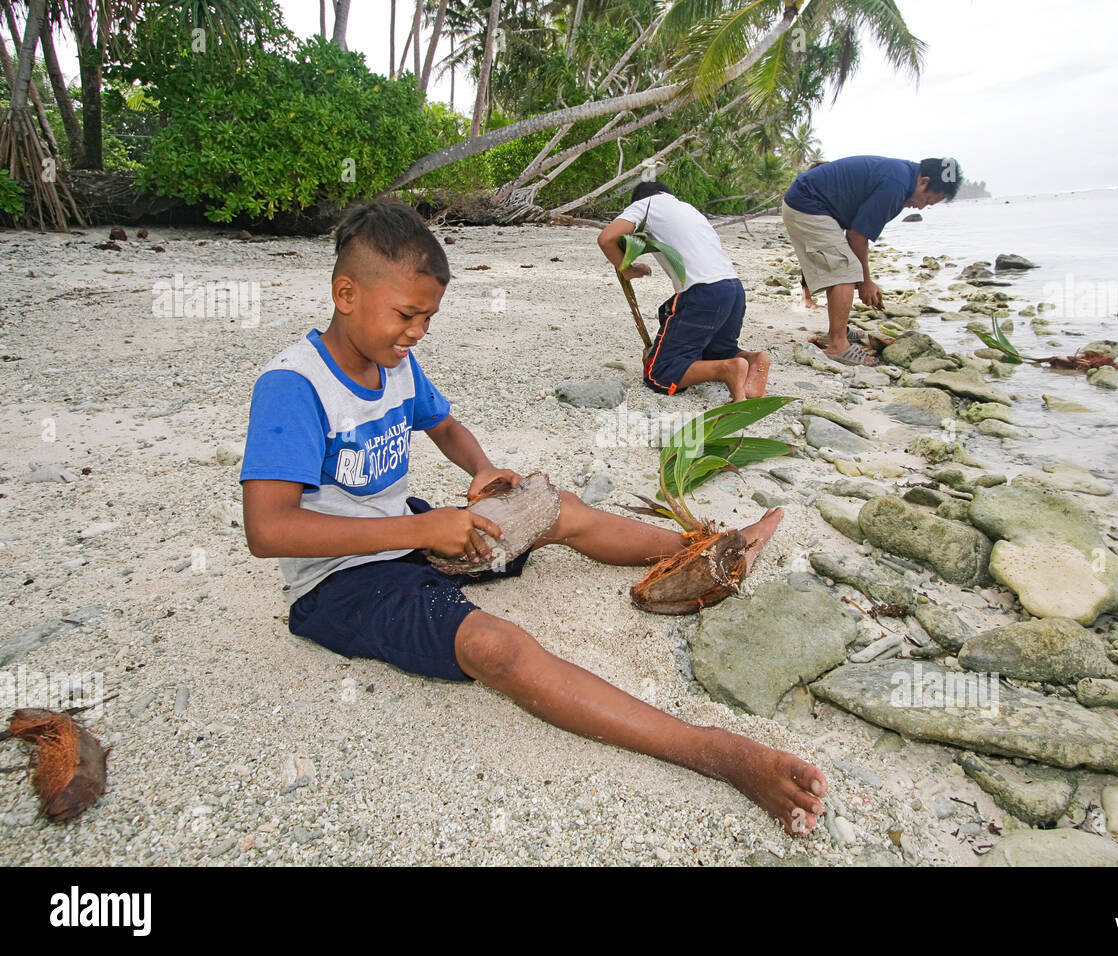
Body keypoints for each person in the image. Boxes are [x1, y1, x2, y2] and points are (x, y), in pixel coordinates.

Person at [238, 200, 828, 837]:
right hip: (341, 582)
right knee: (498, 647)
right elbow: (269, 530)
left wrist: (482, 473)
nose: (416, 334)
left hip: (411, 534)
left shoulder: (394, 362)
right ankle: (715, 752)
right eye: (406, 316)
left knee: (558, 511)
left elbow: (441, 422)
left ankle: (708, 548)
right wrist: (419, 529)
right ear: (345, 293)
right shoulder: (293, 386)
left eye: (428, 319)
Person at [597, 181, 770, 402]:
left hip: (704, 293)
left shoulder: (646, 205)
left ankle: (728, 369)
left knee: (659, 373)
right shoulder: (689, 209)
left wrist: (627, 268)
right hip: (733, 289)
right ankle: (753, 360)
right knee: (713, 351)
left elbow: (606, 238)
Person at [782, 155, 962, 365]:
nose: (921, 207)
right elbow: (857, 236)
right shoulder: (895, 185)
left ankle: (836, 334)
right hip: (807, 204)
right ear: (924, 182)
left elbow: (856, 229)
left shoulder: (902, 181)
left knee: (845, 266)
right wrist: (865, 281)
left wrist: (863, 279)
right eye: (927, 200)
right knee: (845, 269)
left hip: (812, 203)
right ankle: (838, 346)